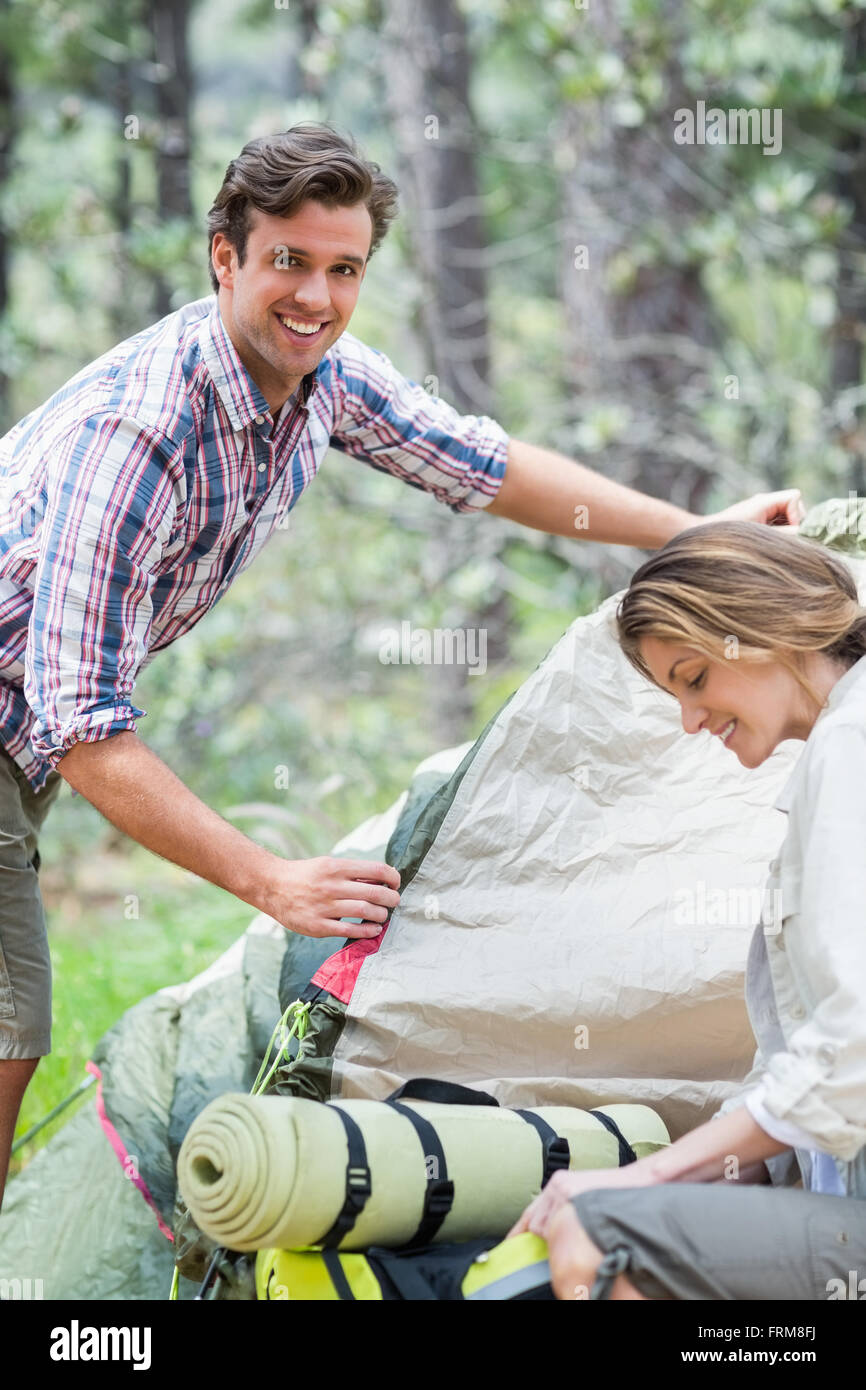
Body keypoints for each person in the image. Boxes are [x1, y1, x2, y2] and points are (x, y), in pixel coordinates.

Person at [0, 123, 803, 1209]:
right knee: (10, 1027)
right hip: (26, 743)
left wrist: (686, 531)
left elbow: (481, 464)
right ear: (225, 258)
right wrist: (269, 880)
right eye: (288, 261)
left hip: (23, 749)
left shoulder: (319, 379)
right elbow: (88, 731)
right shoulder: (137, 437)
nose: (316, 298)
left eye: (344, 270)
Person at [509, 520, 866, 1300]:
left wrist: (642, 1186)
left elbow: (852, 1049)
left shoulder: (851, 745)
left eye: (696, 677)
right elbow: (793, 1066)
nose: (690, 721)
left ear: (762, 626)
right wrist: (679, 1179)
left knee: (603, 1237)